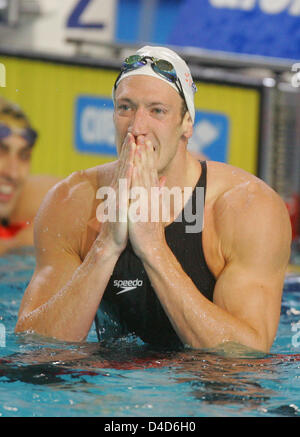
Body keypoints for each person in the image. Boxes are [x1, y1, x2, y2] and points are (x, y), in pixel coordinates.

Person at [15, 46, 291, 353]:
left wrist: (154, 249)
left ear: (187, 123)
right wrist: (105, 246)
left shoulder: (246, 208)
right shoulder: (73, 201)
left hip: (199, 389)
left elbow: (246, 354)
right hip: (112, 381)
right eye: (125, 108)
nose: (137, 128)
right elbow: (34, 345)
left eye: (157, 110)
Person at [0, 98, 60, 254]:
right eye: (1, 151)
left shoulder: (31, 201)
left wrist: (12, 245)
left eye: (24, 156)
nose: (13, 173)